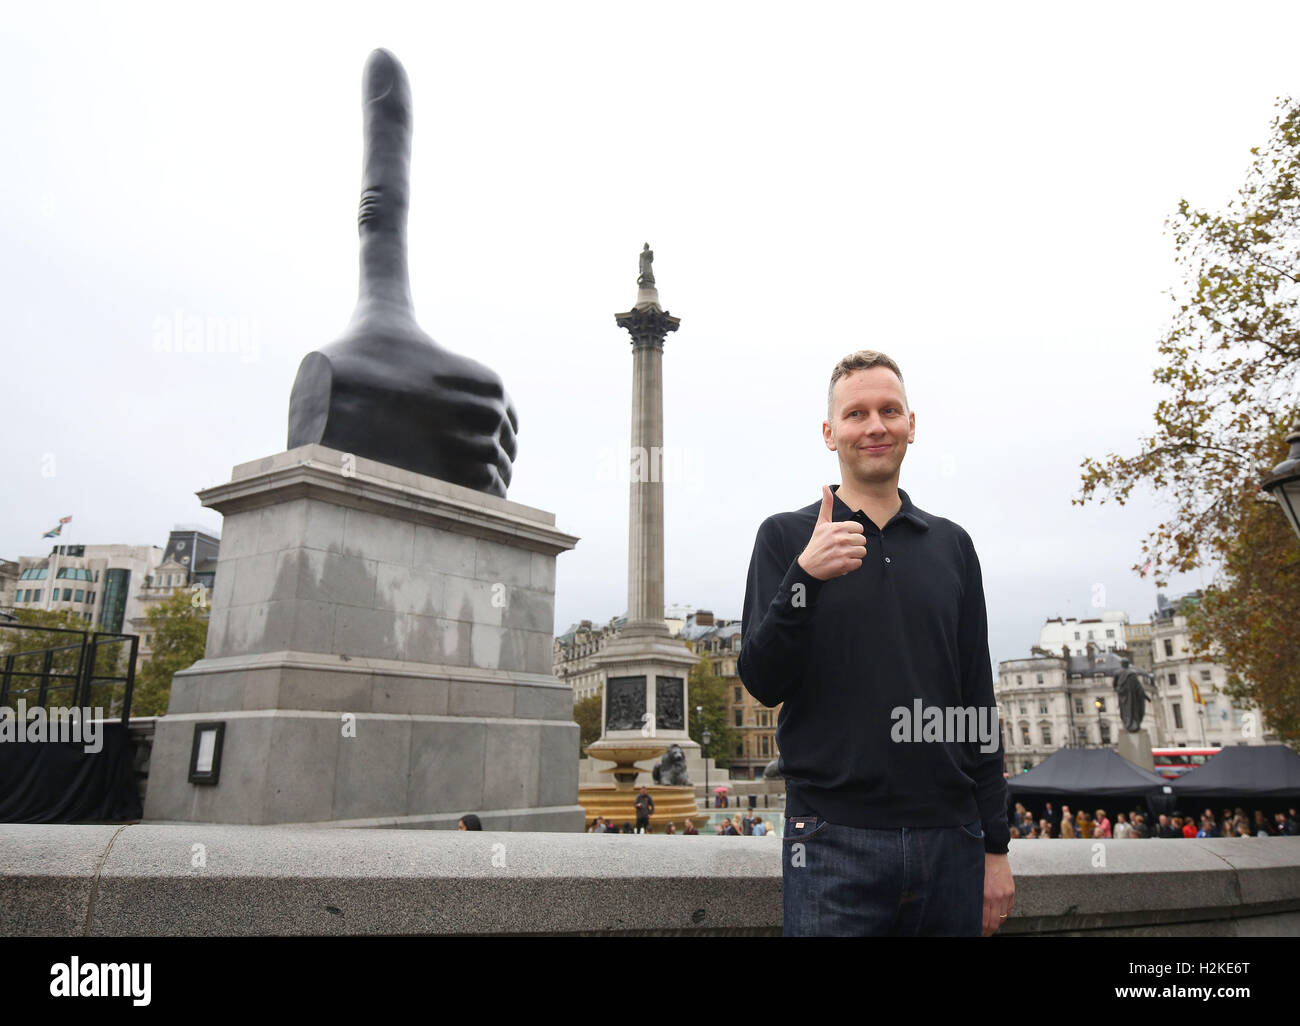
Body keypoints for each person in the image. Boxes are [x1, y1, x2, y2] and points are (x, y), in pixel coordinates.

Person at [737, 350, 1013, 937]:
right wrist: (804, 576)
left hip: (951, 838)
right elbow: (762, 680)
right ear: (829, 432)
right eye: (856, 413)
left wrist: (995, 844)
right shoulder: (786, 536)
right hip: (832, 839)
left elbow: (976, 699)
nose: (875, 426)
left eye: (889, 410)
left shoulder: (952, 545)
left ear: (911, 423)